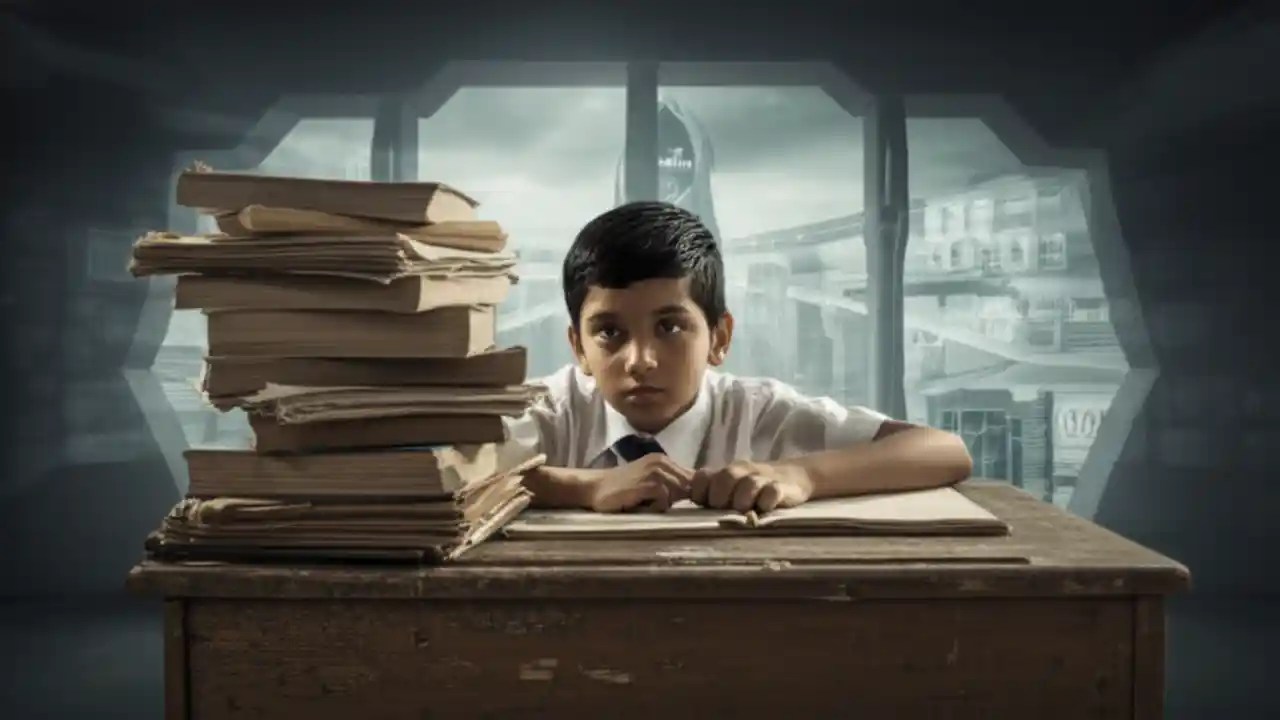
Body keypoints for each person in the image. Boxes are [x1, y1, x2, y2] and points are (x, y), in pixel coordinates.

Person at [508, 201, 973, 514]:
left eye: (670, 327)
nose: (641, 360)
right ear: (578, 348)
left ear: (718, 338)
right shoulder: (557, 409)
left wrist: (800, 474)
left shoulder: (760, 413)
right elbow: (441, 476)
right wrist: (586, 487)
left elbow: (944, 451)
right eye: (609, 332)